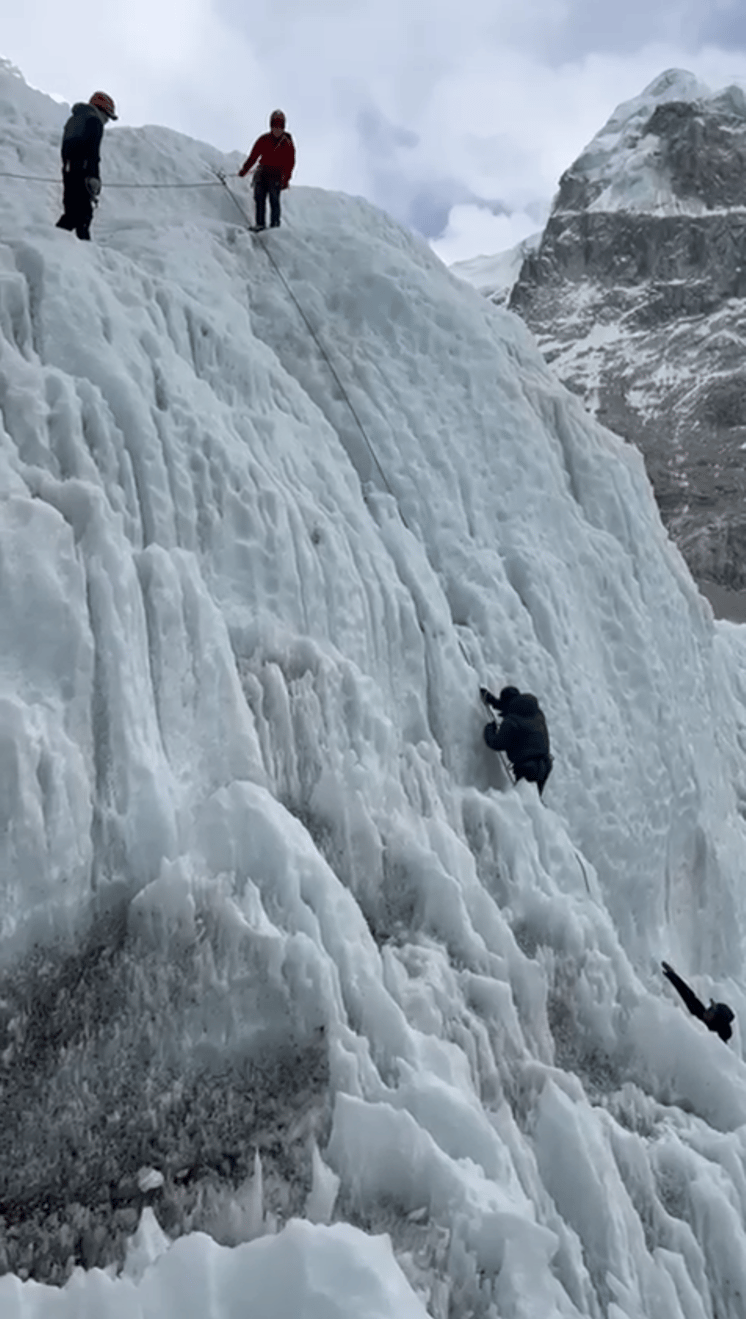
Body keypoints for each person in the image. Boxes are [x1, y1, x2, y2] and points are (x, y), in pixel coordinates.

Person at [56, 92, 118, 241]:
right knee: (83, 215)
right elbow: (93, 152)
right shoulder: (94, 121)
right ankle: (83, 247)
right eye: (107, 116)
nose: (106, 121)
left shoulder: (73, 120)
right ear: (102, 110)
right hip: (83, 173)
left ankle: (53, 240)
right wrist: (93, 176)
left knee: (71, 213)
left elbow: (66, 149)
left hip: (69, 171)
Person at [480, 685, 553, 795]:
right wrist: (492, 701)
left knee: (526, 799)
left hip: (527, 768)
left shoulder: (511, 721)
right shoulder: (536, 711)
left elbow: (497, 743)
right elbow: (513, 708)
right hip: (545, 764)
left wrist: (489, 729)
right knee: (534, 799)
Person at [237, 109, 295, 231]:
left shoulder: (287, 143)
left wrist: (285, 180)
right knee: (259, 198)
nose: (277, 129)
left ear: (283, 127)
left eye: (280, 126)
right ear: (271, 126)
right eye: (275, 125)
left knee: (274, 200)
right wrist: (244, 171)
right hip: (262, 173)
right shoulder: (263, 140)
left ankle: (275, 226)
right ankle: (260, 224)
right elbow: (253, 157)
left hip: (276, 175)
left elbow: (290, 163)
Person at [662, 962, 734, 1043]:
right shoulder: (702, 1016)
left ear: (716, 1021)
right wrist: (672, 975)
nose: (707, 1010)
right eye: (710, 1007)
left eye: (711, 1011)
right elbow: (688, 996)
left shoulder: (713, 1042)